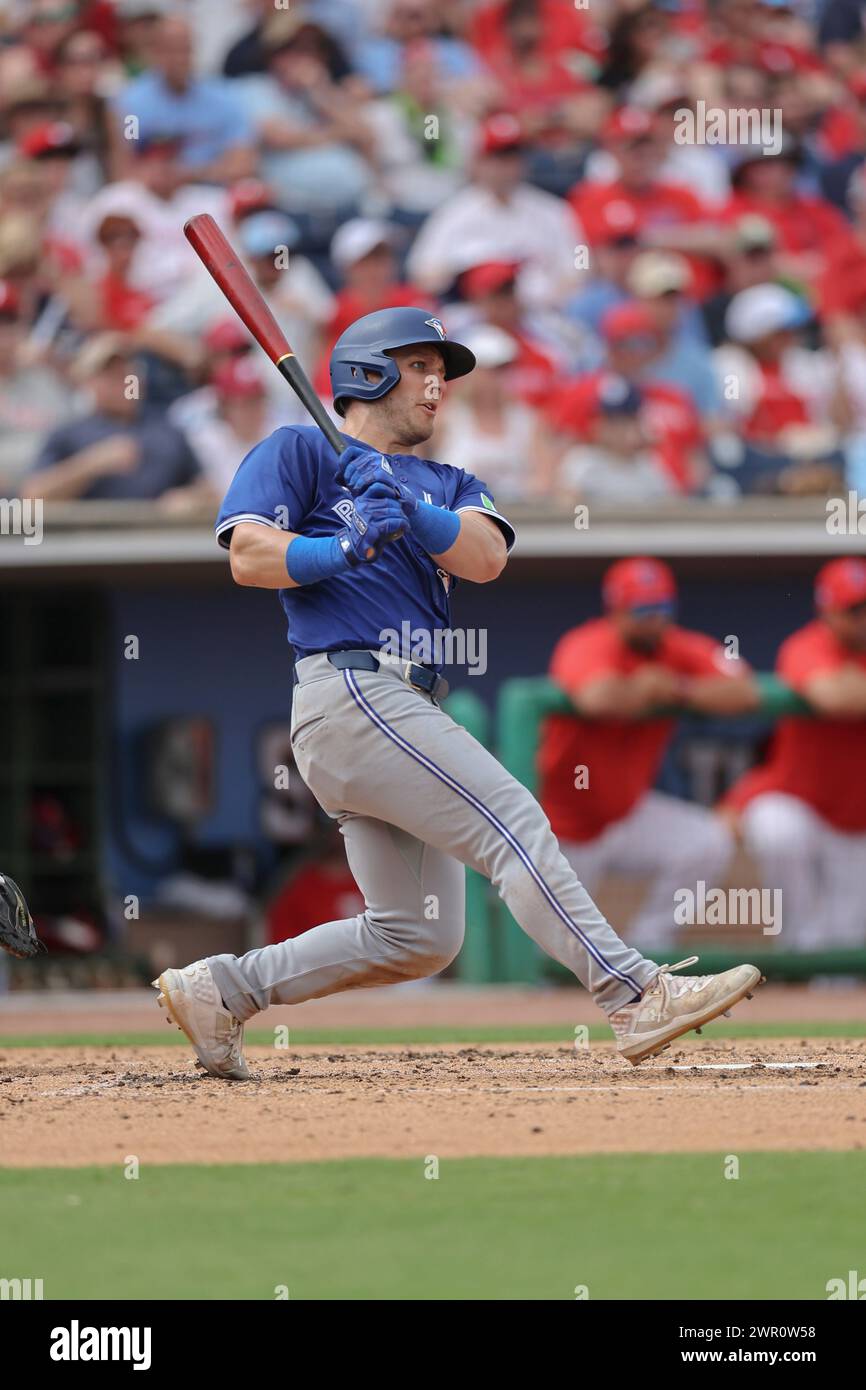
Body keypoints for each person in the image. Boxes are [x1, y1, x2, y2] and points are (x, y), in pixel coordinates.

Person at [151, 304, 762, 1080]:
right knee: (513, 824)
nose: (439, 385)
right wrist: (343, 544)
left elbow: (483, 557)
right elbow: (249, 554)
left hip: (401, 705)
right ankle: (635, 993)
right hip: (355, 688)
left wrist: (406, 509)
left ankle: (222, 989)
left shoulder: (451, 480)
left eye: (442, 371)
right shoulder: (300, 450)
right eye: (421, 367)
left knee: (416, 936)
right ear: (367, 372)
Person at [539, 558, 759, 950]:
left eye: (661, 609)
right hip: (564, 825)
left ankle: (650, 947)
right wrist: (643, 688)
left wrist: (678, 688)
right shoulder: (588, 642)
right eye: (642, 610)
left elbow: (745, 690)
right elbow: (595, 697)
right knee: (554, 951)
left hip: (626, 815)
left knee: (708, 840)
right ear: (616, 610)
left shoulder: (675, 649)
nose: (653, 619)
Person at [725, 558, 866, 951]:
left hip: (858, 823)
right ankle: (795, 949)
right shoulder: (807, 645)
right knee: (777, 829)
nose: (863, 619)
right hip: (804, 806)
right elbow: (834, 696)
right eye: (854, 610)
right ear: (827, 612)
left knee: (846, 947)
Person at [21, 332, 200, 503]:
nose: (124, 381)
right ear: (88, 382)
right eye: (110, 375)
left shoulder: (167, 430)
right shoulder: (68, 434)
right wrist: (91, 465)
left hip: (161, 532)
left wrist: (190, 497)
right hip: (92, 532)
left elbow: (209, 484)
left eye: (128, 372)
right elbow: (33, 495)